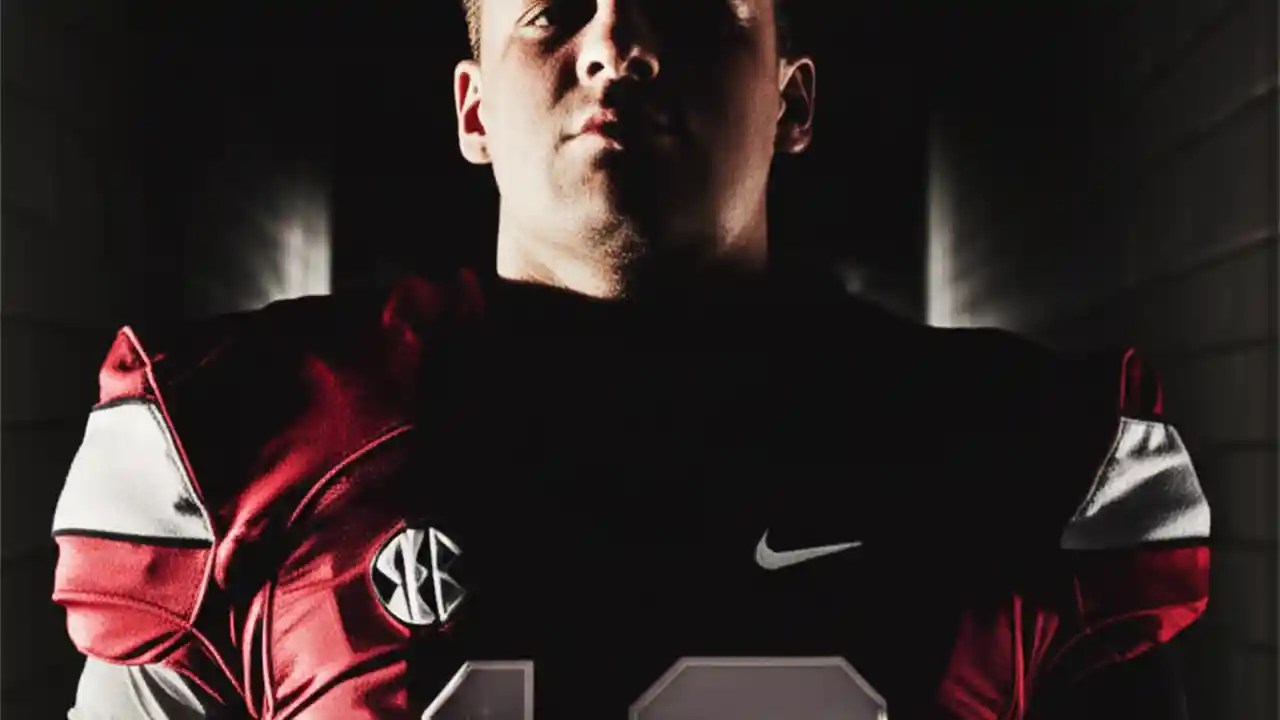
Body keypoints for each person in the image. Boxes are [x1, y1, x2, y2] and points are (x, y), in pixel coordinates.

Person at [52, 0, 1210, 718]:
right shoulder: (258, 442)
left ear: (792, 103)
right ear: (471, 113)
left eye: (696, 7)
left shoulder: (1017, 456)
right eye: (552, 13)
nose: (617, 38)